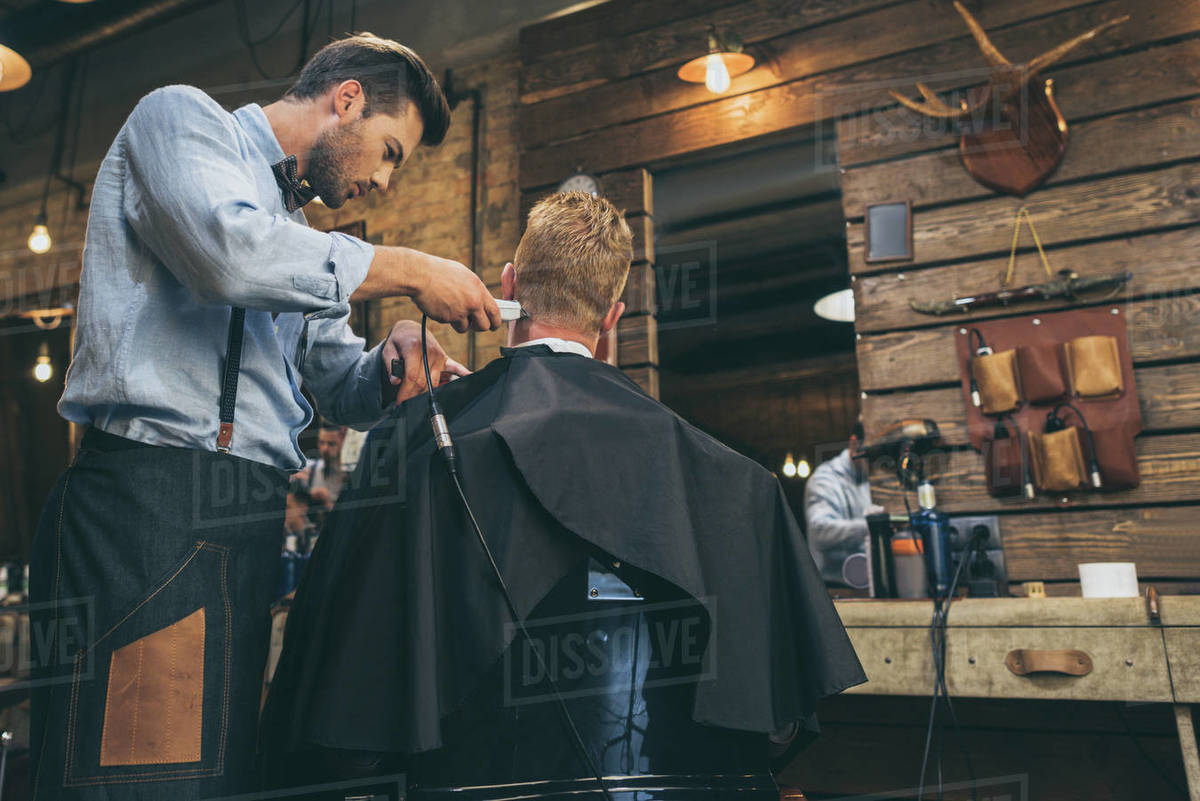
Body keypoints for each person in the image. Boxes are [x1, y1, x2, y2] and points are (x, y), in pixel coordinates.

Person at [260, 192, 866, 798]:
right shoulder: (740, 485)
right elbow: (777, 727)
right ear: (613, 318)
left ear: (509, 284)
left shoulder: (423, 445)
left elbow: (337, 719)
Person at [29, 34, 499, 801]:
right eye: (388, 152)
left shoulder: (301, 242)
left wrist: (393, 361)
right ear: (344, 99)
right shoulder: (180, 123)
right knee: (137, 782)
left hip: (244, 523)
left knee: (216, 782)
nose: (383, 180)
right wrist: (410, 269)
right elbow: (228, 254)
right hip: (149, 508)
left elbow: (333, 376)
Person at [803, 419, 884, 585]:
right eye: (874, 453)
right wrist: (874, 525)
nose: (877, 462)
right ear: (855, 444)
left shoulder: (873, 479)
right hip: (834, 589)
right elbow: (820, 530)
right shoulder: (824, 479)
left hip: (868, 585)